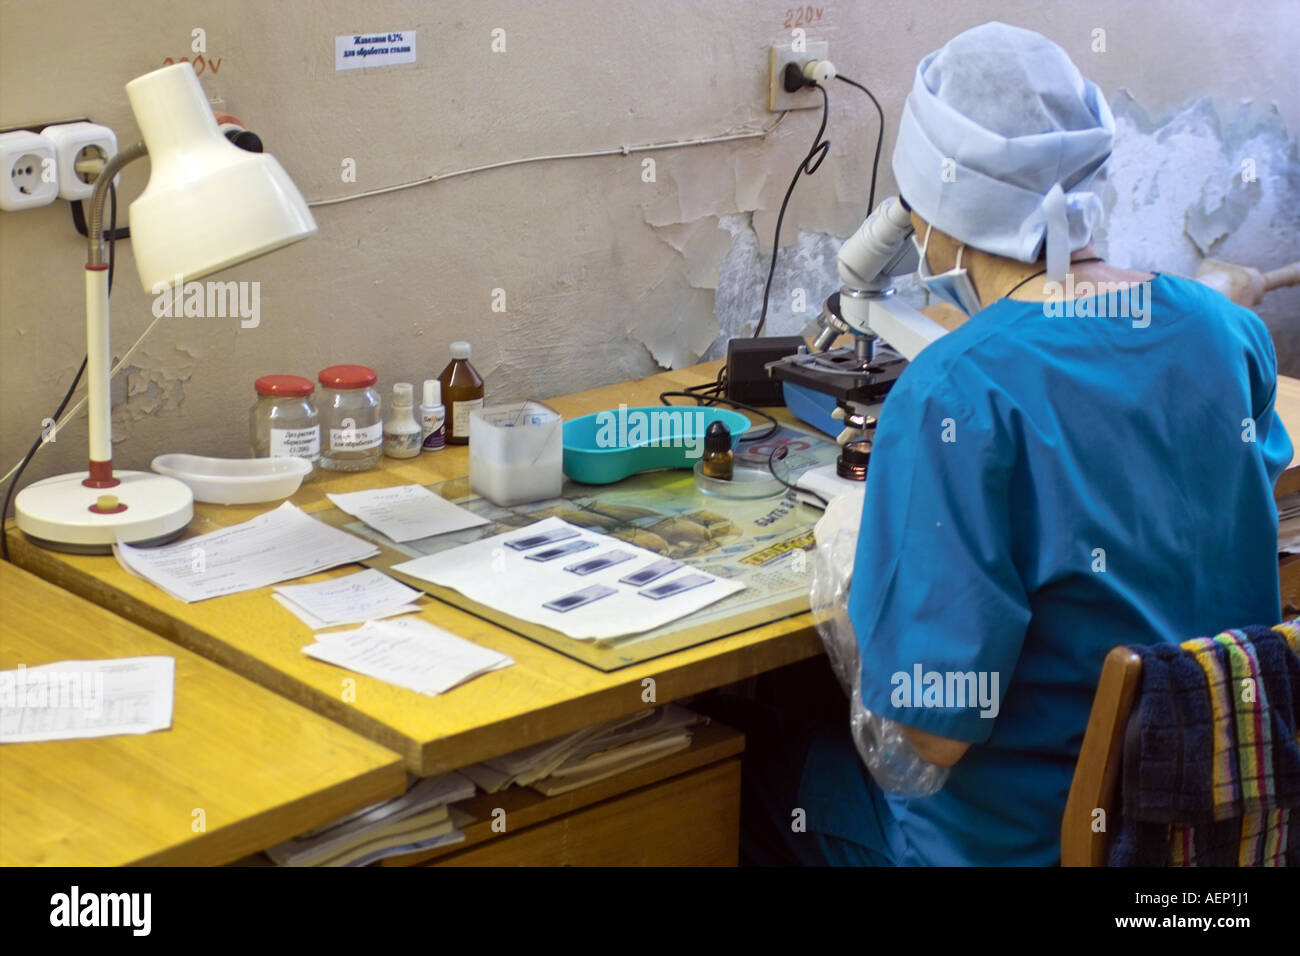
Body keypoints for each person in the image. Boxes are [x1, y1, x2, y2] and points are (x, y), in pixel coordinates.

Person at [720, 21, 1293, 866]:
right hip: (1208, 833)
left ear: (928, 211)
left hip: (1023, 846)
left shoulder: (956, 392)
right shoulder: (1226, 333)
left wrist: (855, 574)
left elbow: (927, 736)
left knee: (756, 757)